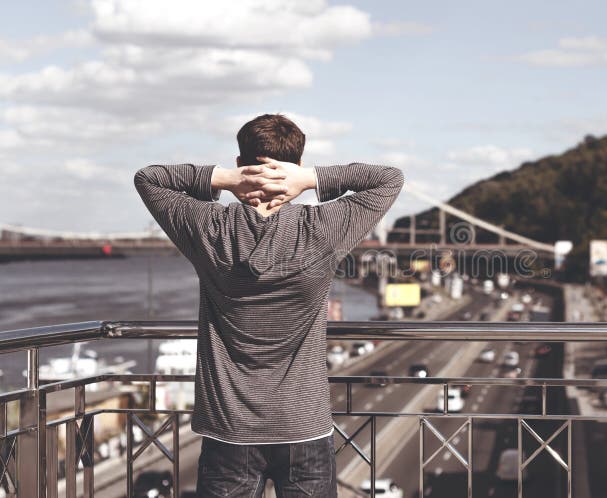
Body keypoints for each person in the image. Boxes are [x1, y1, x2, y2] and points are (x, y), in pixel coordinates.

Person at [134, 113, 404, 497]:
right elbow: (389, 179)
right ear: (296, 165)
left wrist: (226, 179)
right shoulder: (324, 228)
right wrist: (309, 178)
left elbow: (148, 178)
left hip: (229, 429)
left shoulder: (209, 228)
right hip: (304, 426)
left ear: (240, 163)